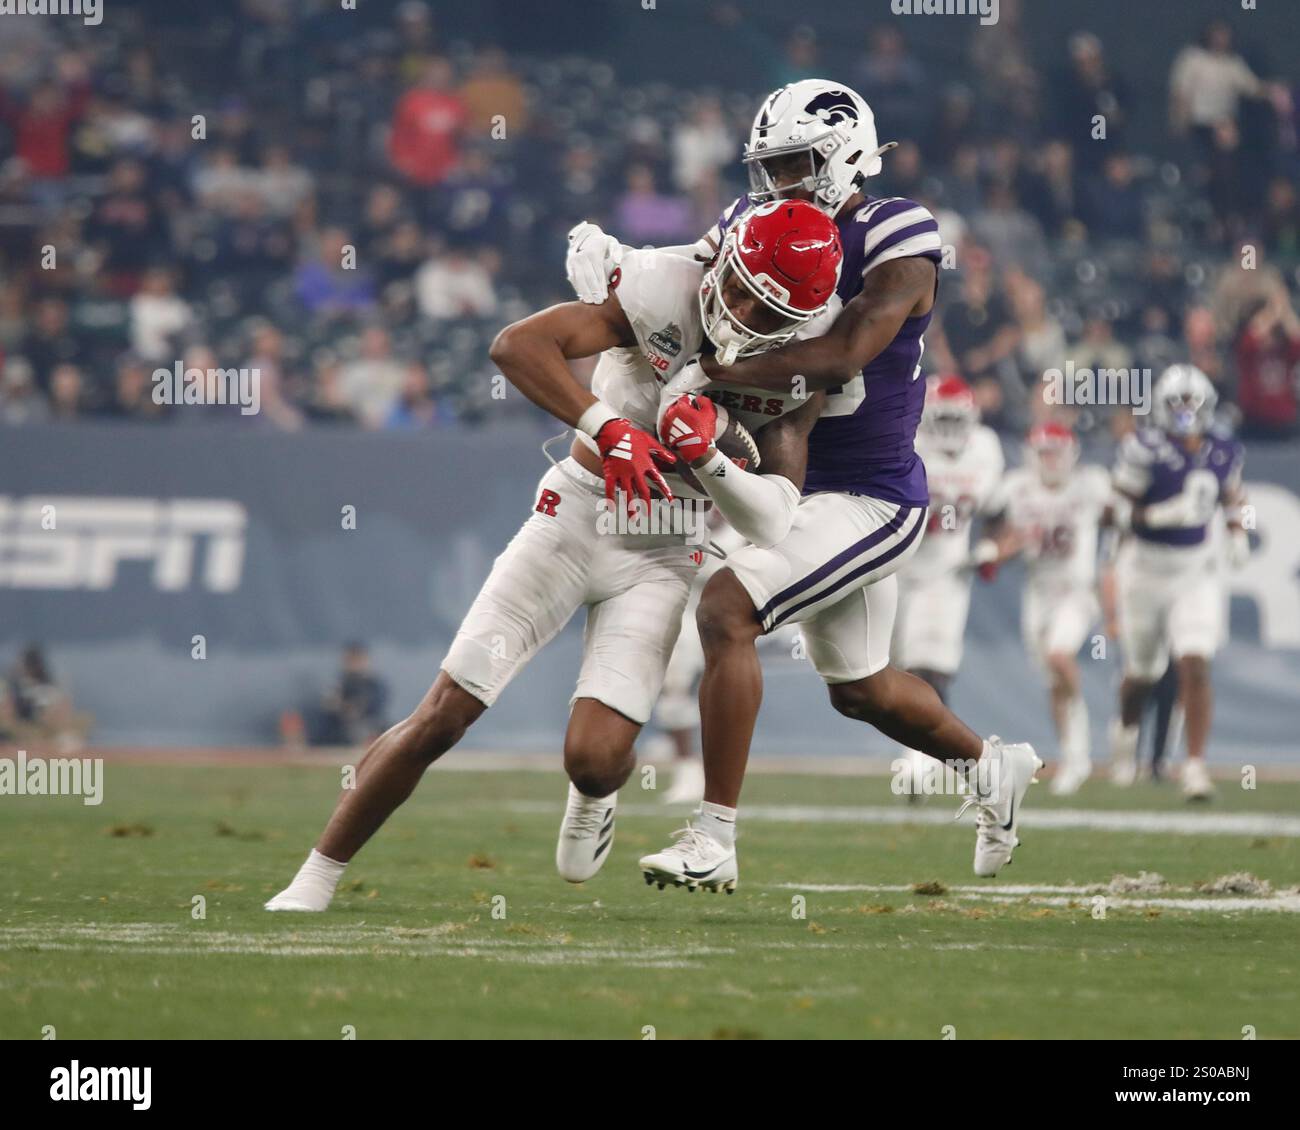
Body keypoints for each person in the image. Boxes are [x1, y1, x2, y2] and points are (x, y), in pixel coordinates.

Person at [265, 200, 843, 911]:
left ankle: (594, 795)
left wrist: (710, 463)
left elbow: (776, 516)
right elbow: (515, 346)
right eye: (741, 293)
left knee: (595, 760)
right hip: (574, 512)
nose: (747, 318)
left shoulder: (814, 358)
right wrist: (609, 430)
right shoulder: (663, 285)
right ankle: (316, 876)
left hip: (666, 548)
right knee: (447, 709)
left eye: (768, 313)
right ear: (722, 264)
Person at [567, 81, 1041, 893]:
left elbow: (849, 347)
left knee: (726, 608)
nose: (776, 182)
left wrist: (715, 371)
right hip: (785, 484)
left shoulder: (897, 229)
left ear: (843, 152)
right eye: (770, 165)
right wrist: (621, 268)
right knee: (861, 691)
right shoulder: (751, 225)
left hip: (868, 494)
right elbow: (691, 284)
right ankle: (992, 769)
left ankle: (715, 836)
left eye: (793, 164)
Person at [1103, 365, 1250, 800]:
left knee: (1195, 660)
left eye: (1192, 404)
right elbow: (1111, 512)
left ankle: (1194, 767)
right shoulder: (1143, 448)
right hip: (1145, 567)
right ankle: (1125, 736)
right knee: (1142, 674)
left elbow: (1235, 498)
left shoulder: (1225, 449)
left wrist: (1239, 530)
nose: (1186, 414)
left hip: (1195, 569)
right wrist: (1155, 515)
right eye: (1177, 405)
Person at [891, 375, 1005, 798]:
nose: (951, 429)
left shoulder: (986, 450)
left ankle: (918, 763)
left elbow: (999, 509)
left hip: (945, 572)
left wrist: (994, 546)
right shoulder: (906, 437)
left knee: (928, 669)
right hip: (892, 566)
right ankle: (957, 759)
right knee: (884, 677)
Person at [987, 423, 1112, 795]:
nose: (1051, 460)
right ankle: (1072, 757)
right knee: (1052, 681)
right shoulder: (1018, 488)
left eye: (1056, 451)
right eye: (1044, 452)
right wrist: (995, 551)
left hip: (1075, 591)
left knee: (1060, 657)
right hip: (1037, 595)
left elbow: (1118, 519)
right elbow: (1002, 532)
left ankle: (1082, 747)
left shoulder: (1090, 485)